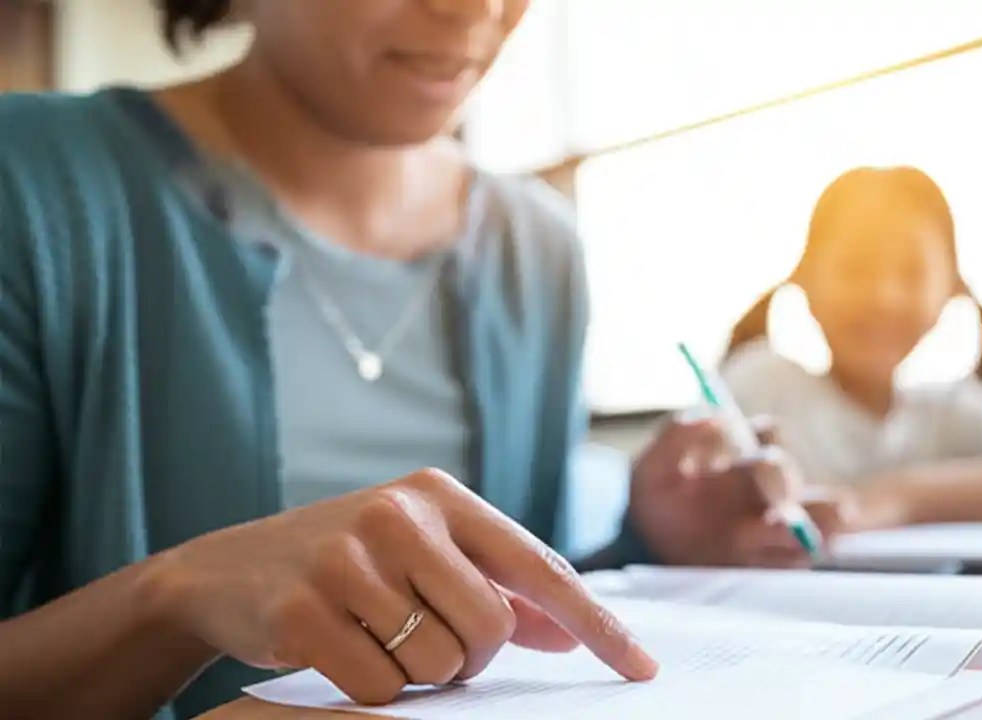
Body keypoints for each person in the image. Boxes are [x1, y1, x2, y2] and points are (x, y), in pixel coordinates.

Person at [0, 2, 810, 718]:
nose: (474, 10)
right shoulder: (31, 189)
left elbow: (508, 626)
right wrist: (172, 601)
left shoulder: (538, 249)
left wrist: (653, 536)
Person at [722, 167, 982, 535]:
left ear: (951, 289)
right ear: (804, 277)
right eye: (855, 267)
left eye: (912, 272)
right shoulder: (763, 382)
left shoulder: (954, 410)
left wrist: (897, 497)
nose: (883, 297)